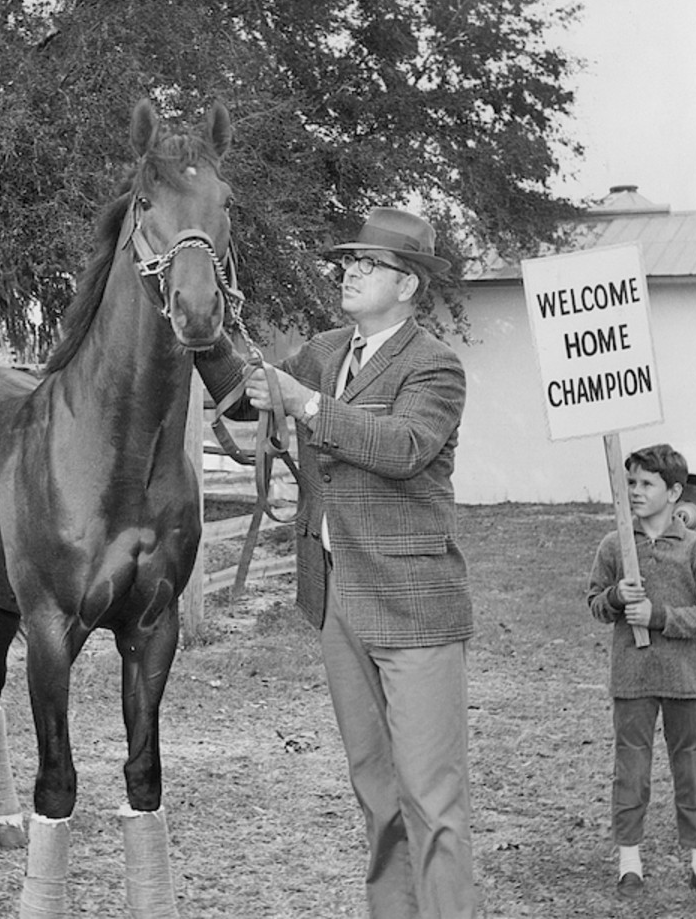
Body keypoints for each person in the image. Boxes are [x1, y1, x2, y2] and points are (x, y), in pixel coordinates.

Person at [197, 207, 475, 918]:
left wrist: (308, 405)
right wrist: (203, 326)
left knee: (430, 801)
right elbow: (242, 398)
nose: (348, 272)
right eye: (346, 261)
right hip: (336, 603)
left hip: (413, 607)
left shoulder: (434, 364)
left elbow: (404, 448)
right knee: (378, 795)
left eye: (367, 264)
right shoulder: (324, 350)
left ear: (408, 284)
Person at [587, 443, 696, 901]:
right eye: (630, 482)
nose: (635, 491)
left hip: (687, 680)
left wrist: (658, 616)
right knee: (631, 770)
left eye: (646, 484)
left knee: (690, 768)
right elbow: (595, 603)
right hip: (633, 679)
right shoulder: (615, 545)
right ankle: (630, 863)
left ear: (673, 492)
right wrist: (615, 597)